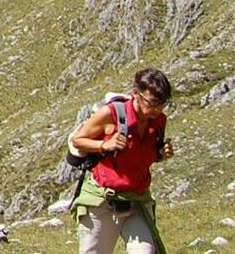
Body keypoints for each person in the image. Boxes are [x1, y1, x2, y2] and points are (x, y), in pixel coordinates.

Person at [69, 68, 176, 254]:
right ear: (135, 94)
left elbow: (139, 155)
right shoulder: (110, 114)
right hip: (101, 201)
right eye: (152, 103)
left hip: (136, 200)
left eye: (162, 103)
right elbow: (78, 140)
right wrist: (105, 145)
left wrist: (161, 155)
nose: (157, 109)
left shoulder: (159, 121)